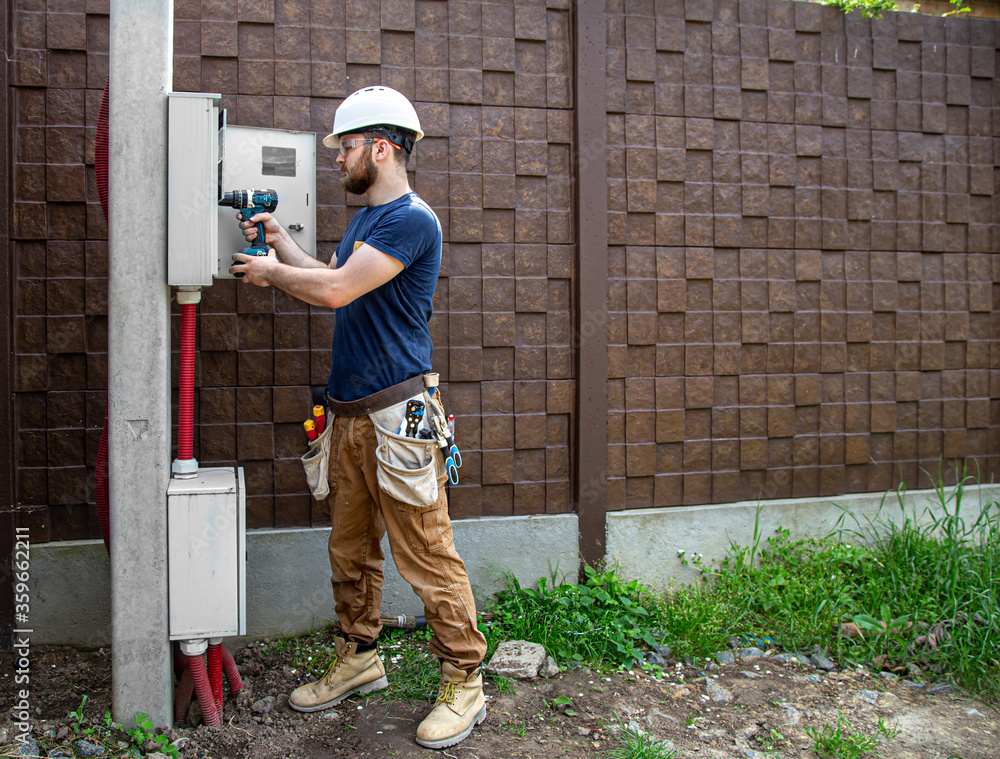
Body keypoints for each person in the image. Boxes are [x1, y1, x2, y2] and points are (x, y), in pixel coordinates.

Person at [230, 85, 488, 750]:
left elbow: (335, 290)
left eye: (344, 147)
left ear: (380, 146)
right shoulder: (367, 222)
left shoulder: (411, 219)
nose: (337, 159)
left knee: (426, 554)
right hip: (350, 415)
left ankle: (464, 681)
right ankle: (359, 658)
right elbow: (331, 277)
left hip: (400, 418)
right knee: (349, 550)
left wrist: (269, 272)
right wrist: (283, 244)